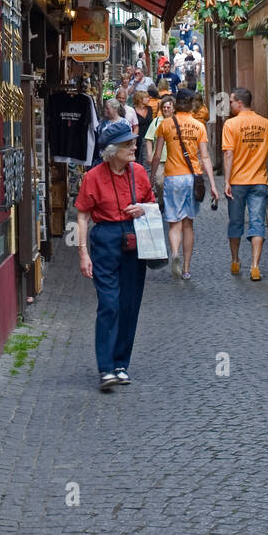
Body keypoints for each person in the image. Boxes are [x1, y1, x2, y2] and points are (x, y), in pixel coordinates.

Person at [76, 122, 157, 391]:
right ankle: (106, 368)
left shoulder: (139, 172)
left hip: (135, 241)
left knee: (129, 304)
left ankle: (121, 364)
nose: (134, 147)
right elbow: (83, 216)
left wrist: (142, 209)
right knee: (109, 303)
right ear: (112, 151)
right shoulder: (93, 177)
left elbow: (153, 204)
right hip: (106, 240)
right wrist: (83, 253)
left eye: (133, 142)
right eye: (128, 144)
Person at [150, 88, 219, 281]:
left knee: (174, 223)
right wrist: (213, 185)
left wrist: (151, 178)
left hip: (172, 177)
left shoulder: (165, 124)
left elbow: (157, 156)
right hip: (192, 177)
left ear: (176, 102)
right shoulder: (198, 126)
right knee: (188, 224)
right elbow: (204, 157)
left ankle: (174, 254)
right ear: (191, 105)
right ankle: (187, 269)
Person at [221, 86, 268, 281]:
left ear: (239, 103)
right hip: (259, 181)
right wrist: (261, 152)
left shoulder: (231, 125)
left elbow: (229, 153)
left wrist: (227, 181)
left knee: (235, 222)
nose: (229, 104)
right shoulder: (264, 123)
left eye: (231, 101)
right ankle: (255, 266)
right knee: (257, 223)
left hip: (238, 182)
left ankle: (235, 260)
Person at [144, 94, 176, 198]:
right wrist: (149, 154)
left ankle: (169, 203)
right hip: (159, 158)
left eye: (168, 107)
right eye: (164, 107)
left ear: (173, 108)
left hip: (174, 159)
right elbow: (149, 138)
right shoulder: (157, 121)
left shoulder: (177, 121)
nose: (166, 110)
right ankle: (162, 201)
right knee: (159, 182)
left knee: (173, 184)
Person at [132, 92, 152, 165]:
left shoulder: (150, 109)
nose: (148, 99)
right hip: (137, 138)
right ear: (140, 100)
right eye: (146, 97)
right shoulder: (133, 110)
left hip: (148, 137)